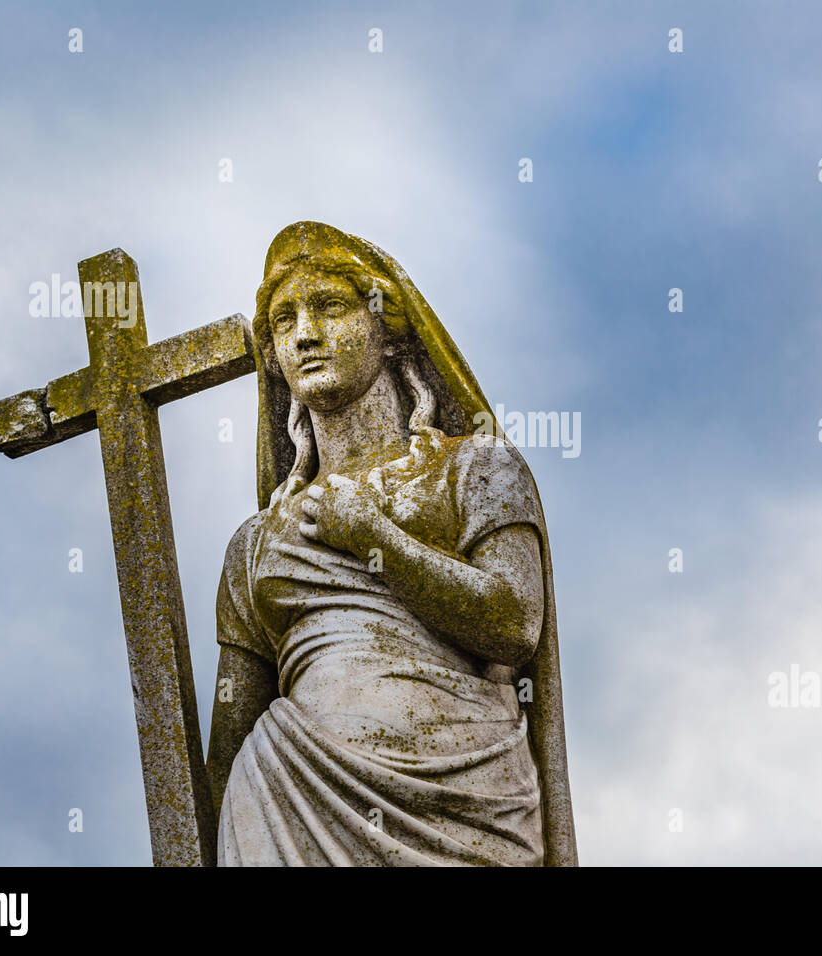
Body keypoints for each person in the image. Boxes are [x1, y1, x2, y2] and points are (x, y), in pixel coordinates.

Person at [205, 222, 576, 865]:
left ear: (388, 327)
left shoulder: (476, 467)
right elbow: (226, 741)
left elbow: (516, 624)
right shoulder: (254, 547)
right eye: (284, 319)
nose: (306, 334)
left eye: (330, 306)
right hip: (286, 807)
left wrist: (376, 537)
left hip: (466, 815)